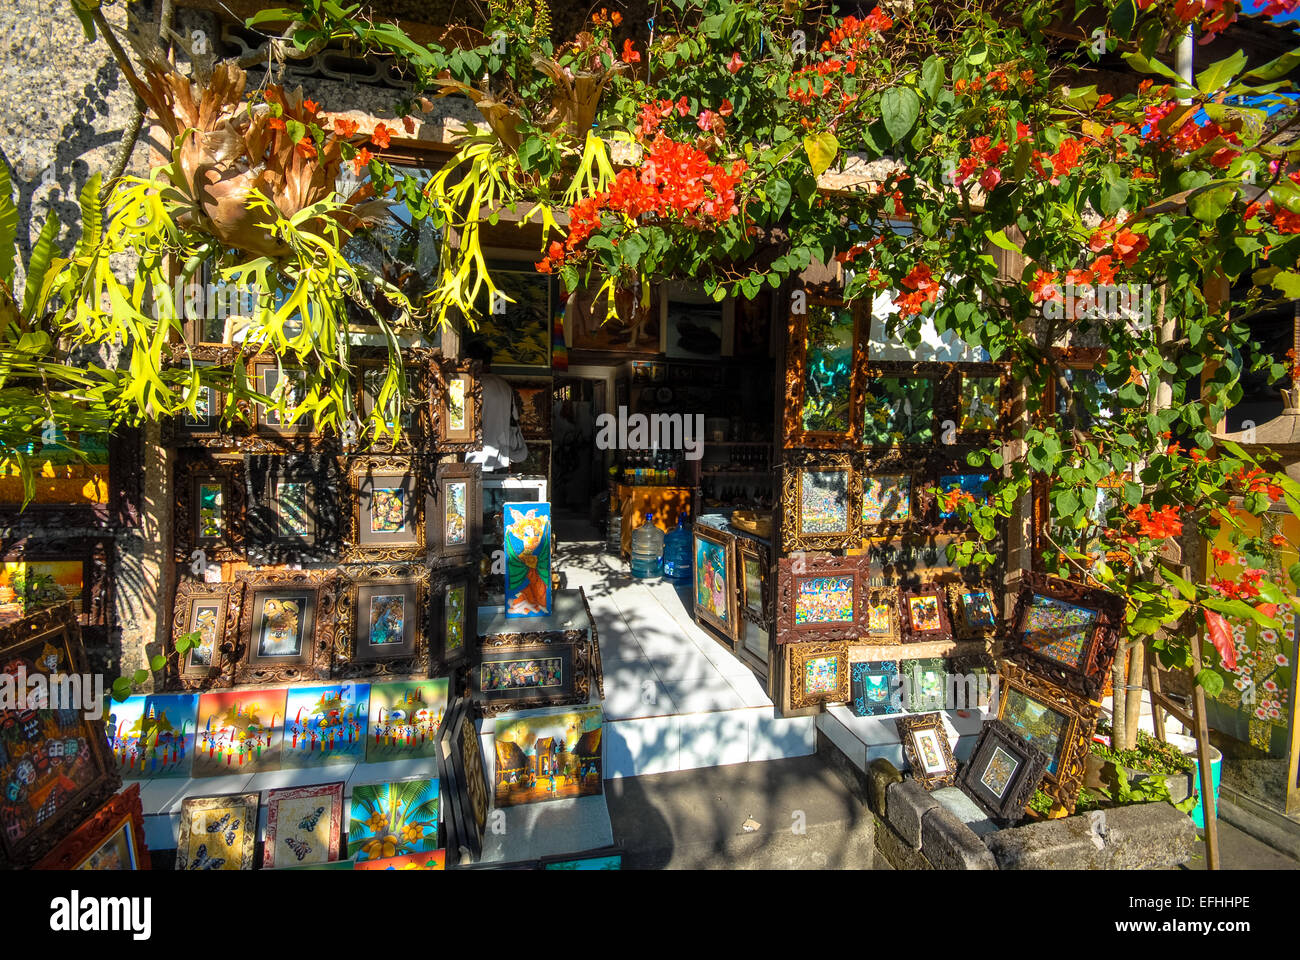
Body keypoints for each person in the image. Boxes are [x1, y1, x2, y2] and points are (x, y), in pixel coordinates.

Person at [461, 340, 528, 471]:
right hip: (501, 456)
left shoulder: (472, 386)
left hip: (474, 455)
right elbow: (514, 418)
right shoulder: (504, 385)